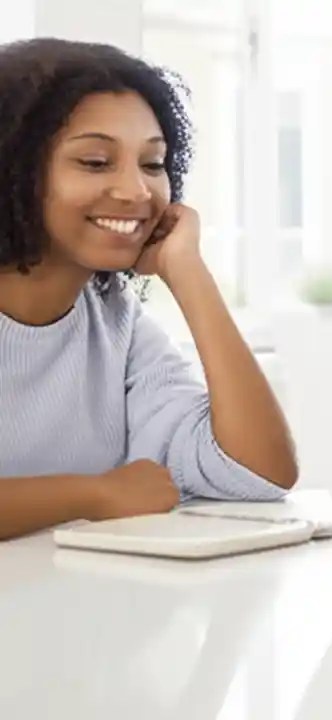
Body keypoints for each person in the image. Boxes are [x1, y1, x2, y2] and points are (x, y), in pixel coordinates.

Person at [0, 39, 298, 541]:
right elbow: (112, 496)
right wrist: (93, 494)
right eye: (95, 162)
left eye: (153, 163)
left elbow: (259, 472)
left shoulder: (118, 324)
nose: (137, 192)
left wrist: (188, 273)